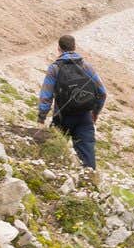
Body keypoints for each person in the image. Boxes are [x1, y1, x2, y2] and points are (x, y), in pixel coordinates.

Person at [37, 34, 107, 170]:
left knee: (53, 151)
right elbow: (102, 93)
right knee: (87, 158)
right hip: (85, 117)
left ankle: (56, 179)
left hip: (62, 116)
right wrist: (95, 113)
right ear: (74, 47)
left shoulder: (54, 68)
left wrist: (41, 117)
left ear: (59, 48)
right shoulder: (86, 66)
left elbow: (46, 95)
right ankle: (89, 184)